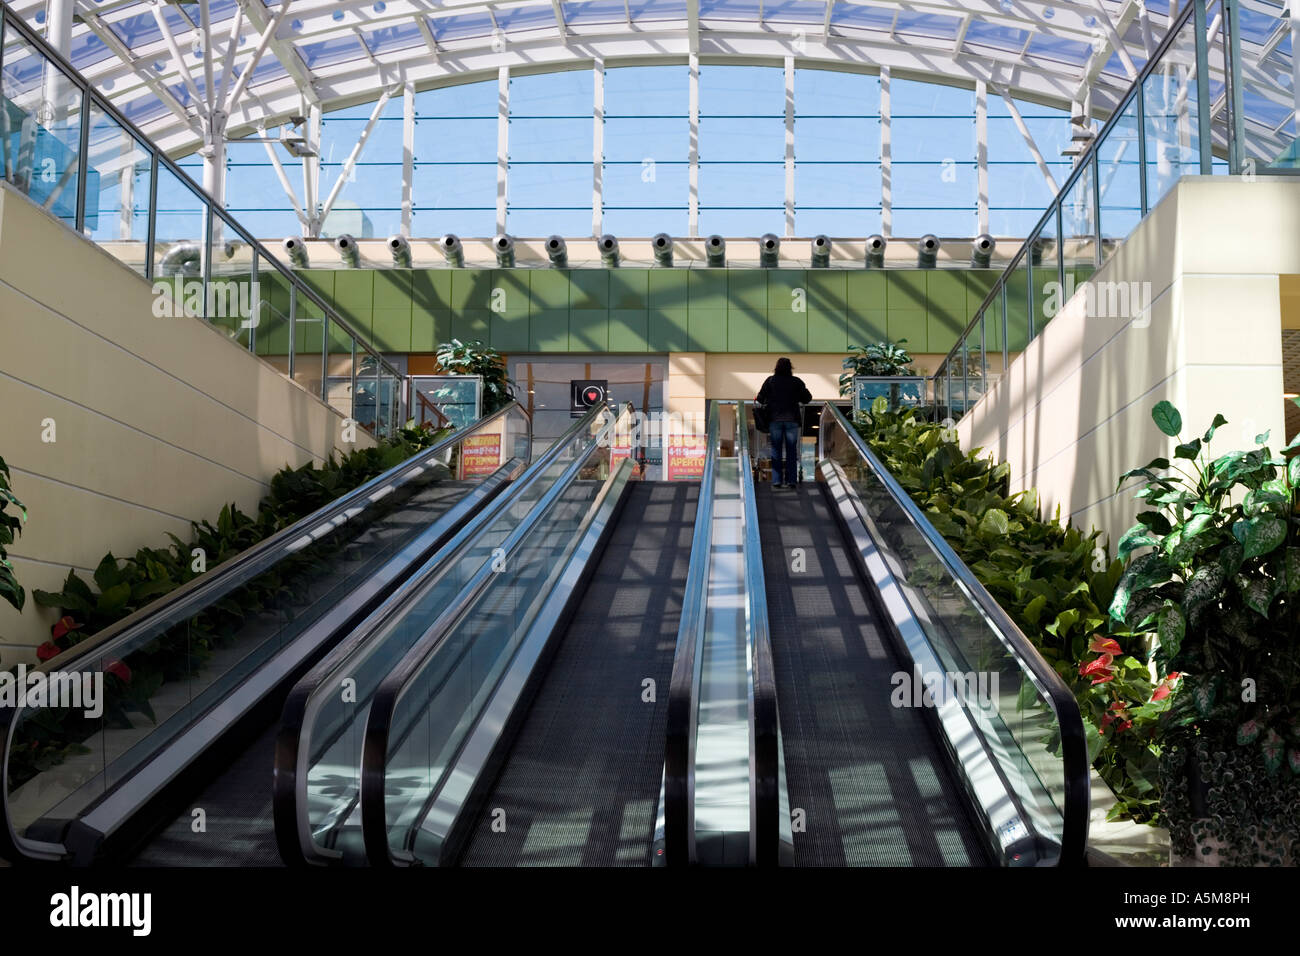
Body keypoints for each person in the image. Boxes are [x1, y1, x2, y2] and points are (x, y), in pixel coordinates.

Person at [756, 357, 812, 490]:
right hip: (792, 420)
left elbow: (760, 398)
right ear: (790, 368)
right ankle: (791, 480)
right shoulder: (796, 382)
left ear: (776, 367)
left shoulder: (770, 381)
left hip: (775, 420)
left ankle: (776, 481)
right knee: (792, 451)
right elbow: (807, 399)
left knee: (776, 450)